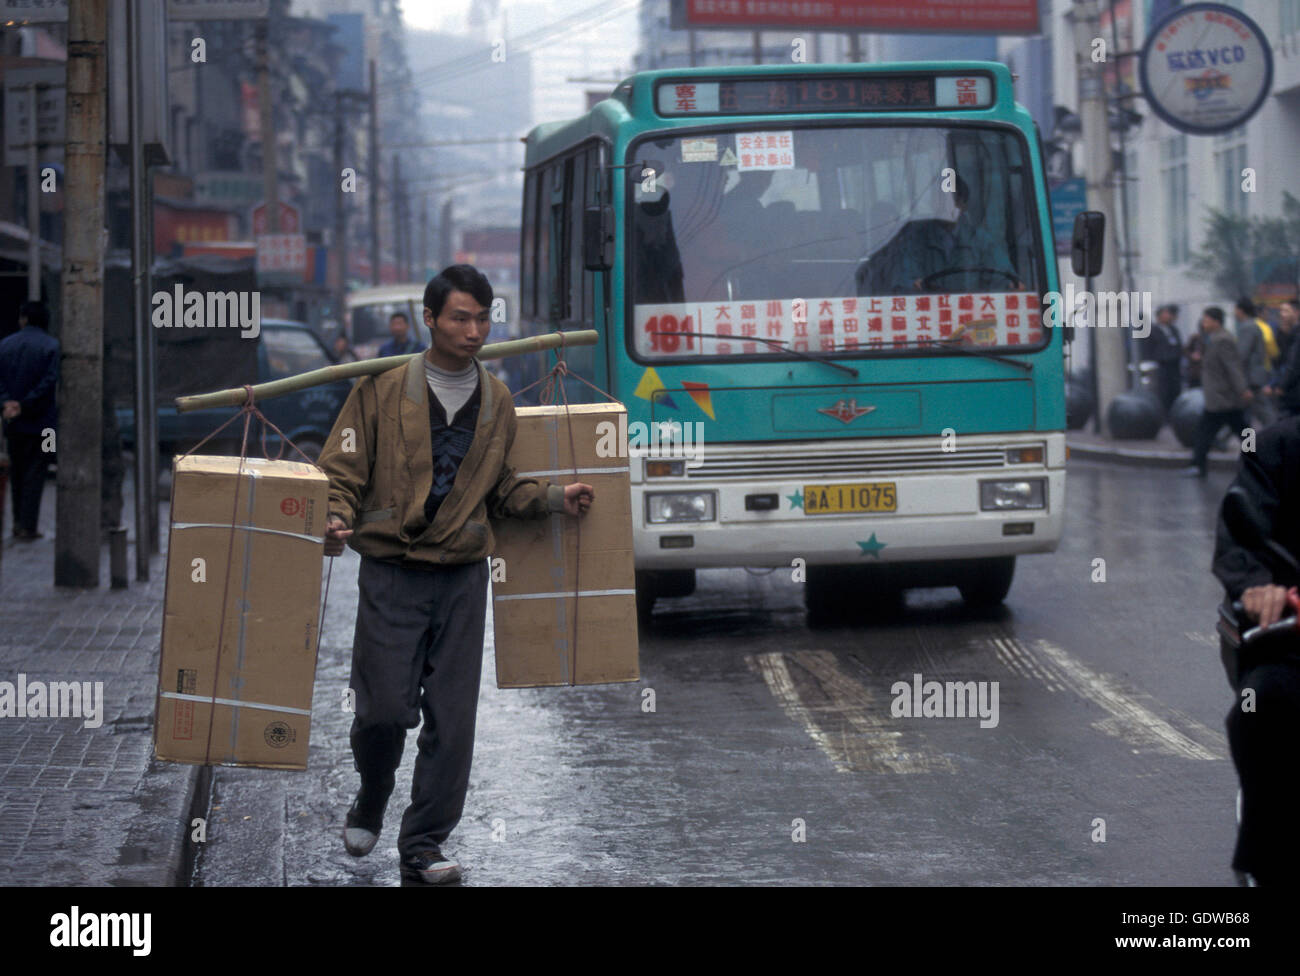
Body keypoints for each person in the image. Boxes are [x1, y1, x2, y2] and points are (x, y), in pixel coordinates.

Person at [317, 264, 594, 886]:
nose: (473, 331)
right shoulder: (381, 389)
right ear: (431, 319)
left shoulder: (496, 401)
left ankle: (423, 844)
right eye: (460, 318)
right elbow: (341, 471)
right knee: (384, 711)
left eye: (482, 319)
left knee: (453, 717)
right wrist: (334, 517)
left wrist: (554, 497)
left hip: (463, 576)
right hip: (391, 572)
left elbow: (496, 487)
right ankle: (372, 791)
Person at [1212, 412, 1300, 885]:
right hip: (1291, 630)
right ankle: (1270, 864)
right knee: (1263, 703)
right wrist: (1259, 586)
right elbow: (1239, 540)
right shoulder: (1276, 447)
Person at [0, 301, 59, 540]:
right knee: (39, 471)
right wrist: (26, 403)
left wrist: (8, 403)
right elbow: (49, 382)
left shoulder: (5, 345)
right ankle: (28, 525)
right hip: (45, 425)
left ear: (24, 318)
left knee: (17, 470)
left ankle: (16, 521)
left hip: (13, 421)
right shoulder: (52, 346)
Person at [1184, 306, 1252, 478]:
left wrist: (1242, 389)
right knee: (1241, 429)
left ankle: (1198, 465)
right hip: (1220, 397)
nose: (1203, 323)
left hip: (1223, 396)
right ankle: (1198, 465)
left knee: (1210, 432)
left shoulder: (1223, 340)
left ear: (1216, 321)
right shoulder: (1213, 338)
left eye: (1206, 320)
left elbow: (1233, 367)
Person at [1235, 298, 1276, 429]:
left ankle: (1275, 436)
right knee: (1242, 413)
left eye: (1236, 309)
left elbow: (1242, 355)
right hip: (1253, 376)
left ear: (1241, 310)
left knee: (1262, 412)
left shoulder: (1248, 327)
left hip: (1250, 378)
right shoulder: (1254, 325)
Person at [1143, 304, 1183, 411]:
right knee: (1164, 391)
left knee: (1175, 390)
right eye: (1167, 314)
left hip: (1174, 365)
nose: (1169, 316)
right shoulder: (1153, 331)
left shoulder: (1174, 330)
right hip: (1162, 366)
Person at [1267, 299, 1300, 419]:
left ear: (1297, 313)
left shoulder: (1297, 334)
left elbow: (1293, 363)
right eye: (1281, 311)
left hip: (1293, 391)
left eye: (1286, 311)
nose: (1282, 314)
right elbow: (1279, 360)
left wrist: (1282, 386)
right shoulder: (1283, 333)